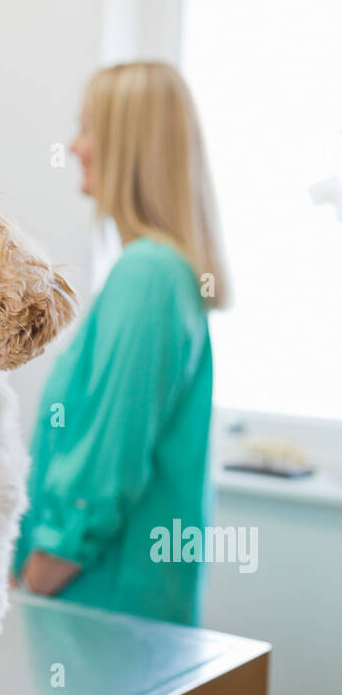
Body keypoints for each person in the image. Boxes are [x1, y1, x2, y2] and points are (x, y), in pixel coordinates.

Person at [14, 61, 228, 626]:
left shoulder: (149, 274)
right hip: (121, 598)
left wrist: (35, 577)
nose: (75, 146)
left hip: (99, 603)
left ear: (128, 146)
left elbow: (107, 460)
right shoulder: (164, 272)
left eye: (89, 129)